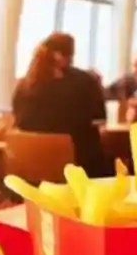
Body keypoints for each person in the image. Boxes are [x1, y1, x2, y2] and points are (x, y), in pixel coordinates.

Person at [12, 33, 107, 177]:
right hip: (76, 164)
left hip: (30, 163)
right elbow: (99, 117)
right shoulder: (83, 81)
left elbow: (19, 122)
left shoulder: (24, 85)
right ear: (67, 55)